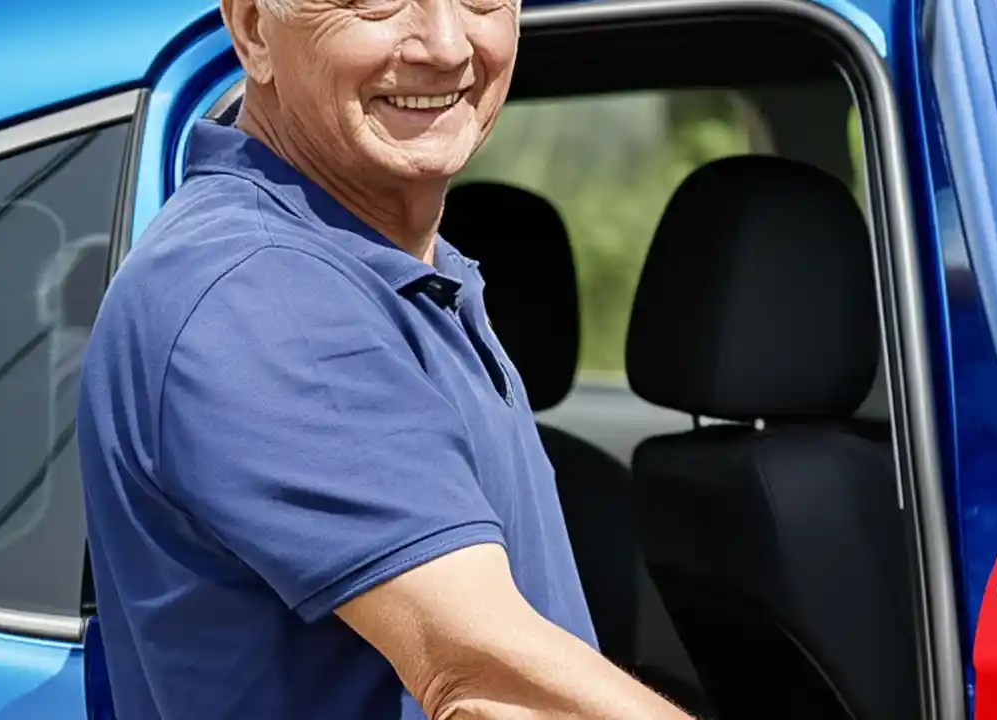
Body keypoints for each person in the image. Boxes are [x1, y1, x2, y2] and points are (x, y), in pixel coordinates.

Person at [76, 0, 695, 718]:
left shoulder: (386, 264)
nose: (445, 44)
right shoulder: (263, 293)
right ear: (251, 28)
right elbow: (488, 682)